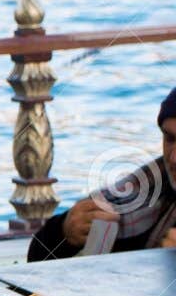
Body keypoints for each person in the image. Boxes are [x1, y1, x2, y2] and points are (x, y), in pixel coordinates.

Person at [27, 86, 176, 260]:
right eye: (170, 139)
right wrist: (64, 232)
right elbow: (37, 260)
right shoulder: (148, 192)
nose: (173, 158)